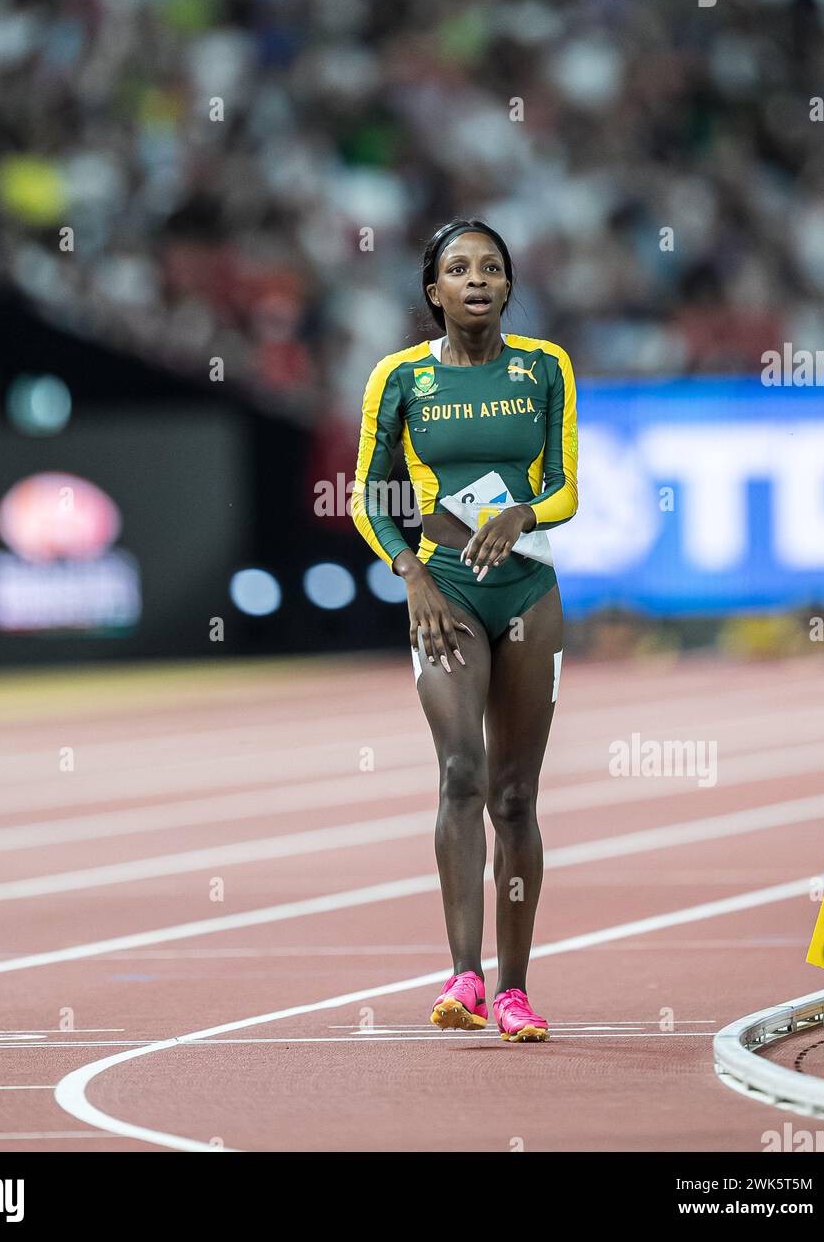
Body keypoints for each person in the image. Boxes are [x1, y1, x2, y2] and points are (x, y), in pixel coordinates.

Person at [351, 219, 578, 1042]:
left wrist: (521, 513)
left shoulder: (545, 367)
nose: (476, 278)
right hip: (444, 591)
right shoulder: (399, 377)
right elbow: (368, 494)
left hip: (527, 593)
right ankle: (463, 977)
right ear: (433, 291)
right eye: (458, 268)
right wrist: (411, 576)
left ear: (509, 287)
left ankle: (515, 989)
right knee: (460, 774)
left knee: (516, 797)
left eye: (491, 267)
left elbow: (564, 488)